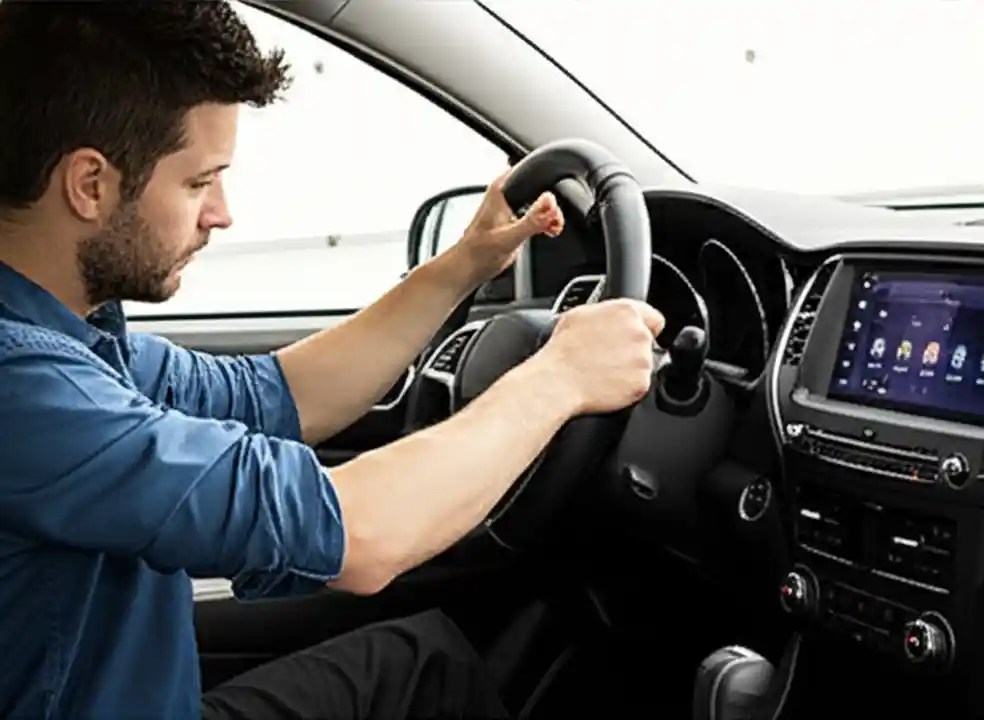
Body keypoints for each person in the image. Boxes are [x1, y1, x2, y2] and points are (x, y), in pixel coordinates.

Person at [0, 2, 664, 718]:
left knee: (419, 662)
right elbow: (365, 536)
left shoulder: (76, 334)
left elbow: (274, 396)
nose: (222, 213)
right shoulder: (24, 390)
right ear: (89, 185)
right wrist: (559, 379)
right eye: (199, 182)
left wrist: (461, 268)